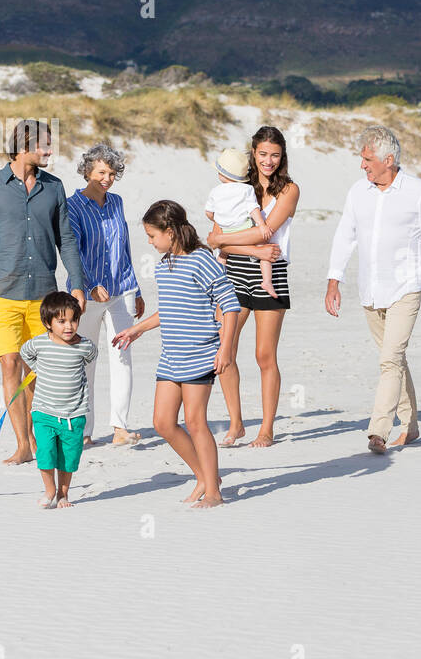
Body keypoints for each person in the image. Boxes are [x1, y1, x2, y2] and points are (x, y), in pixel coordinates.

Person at [325, 125, 421, 454]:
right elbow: (345, 235)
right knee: (395, 361)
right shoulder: (358, 192)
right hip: (370, 290)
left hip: (406, 288)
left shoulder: (418, 192)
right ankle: (410, 426)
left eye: (367, 158)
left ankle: (378, 431)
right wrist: (334, 279)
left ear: (388, 159)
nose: (362, 165)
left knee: (390, 360)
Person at [0, 120, 87, 466]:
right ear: (22, 146)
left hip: (44, 295)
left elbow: (66, 239)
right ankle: (22, 445)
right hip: (2, 292)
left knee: (39, 372)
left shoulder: (54, 187)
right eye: (44, 145)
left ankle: (39, 437)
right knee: (10, 366)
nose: (50, 151)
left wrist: (76, 282)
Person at [112, 200, 239, 509]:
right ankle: (205, 477)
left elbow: (231, 305)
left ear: (170, 232)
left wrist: (225, 349)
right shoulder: (164, 264)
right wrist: (137, 329)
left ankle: (213, 492)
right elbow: (168, 309)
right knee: (163, 423)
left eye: (153, 236)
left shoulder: (202, 260)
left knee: (196, 423)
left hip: (200, 353)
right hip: (171, 356)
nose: (151, 243)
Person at [206, 126, 300, 448]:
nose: (268, 161)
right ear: (253, 153)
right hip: (233, 273)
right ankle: (236, 424)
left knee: (264, 355)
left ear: (282, 155)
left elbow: (264, 233)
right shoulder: (236, 187)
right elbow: (216, 240)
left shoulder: (290, 190)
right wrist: (247, 248)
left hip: (271, 273)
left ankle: (266, 429)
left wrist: (225, 240)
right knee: (224, 348)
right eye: (262, 154)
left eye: (274, 154)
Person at [66, 143, 144, 447]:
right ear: (88, 171)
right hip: (85, 295)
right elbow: (72, 249)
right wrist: (89, 284)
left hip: (121, 290)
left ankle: (120, 427)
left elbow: (123, 248)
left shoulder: (117, 202)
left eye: (112, 173)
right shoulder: (72, 206)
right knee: (85, 361)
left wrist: (135, 286)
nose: (107, 178)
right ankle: (83, 431)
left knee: (122, 358)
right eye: (101, 172)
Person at [18, 292, 97, 508]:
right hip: (44, 412)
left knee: (68, 458)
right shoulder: (39, 344)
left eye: (73, 320)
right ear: (48, 323)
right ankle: (49, 489)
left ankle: (63, 494)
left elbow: (91, 356)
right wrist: (37, 370)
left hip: (74, 414)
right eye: (61, 321)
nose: (69, 326)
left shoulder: (84, 346)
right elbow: (25, 353)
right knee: (45, 453)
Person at [205, 148, 277, 298]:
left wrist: (217, 219)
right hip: (243, 229)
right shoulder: (247, 189)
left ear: (221, 173)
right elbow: (253, 209)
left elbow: (209, 213)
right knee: (263, 249)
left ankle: (217, 281)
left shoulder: (215, 191)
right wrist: (262, 225)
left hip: (224, 231)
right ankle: (267, 281)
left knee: (222, 255)